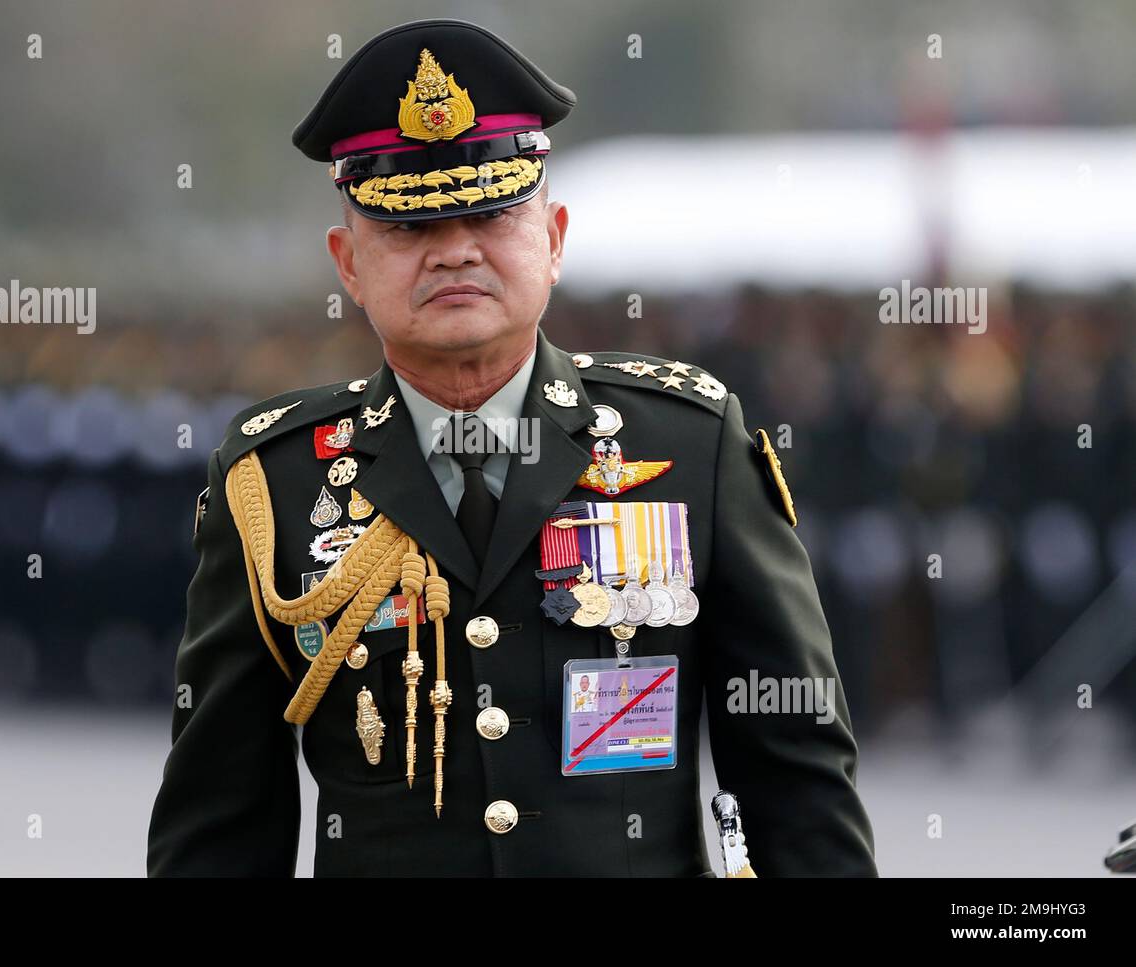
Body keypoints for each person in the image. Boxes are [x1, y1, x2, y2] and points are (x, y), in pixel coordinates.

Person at [146, 17, 877, 877]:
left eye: (492, 214)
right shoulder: (274, 482)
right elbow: (218, 829)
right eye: (409, 228)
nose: (456, 250)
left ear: (555, 237)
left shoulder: (689, 445)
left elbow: (798, 784)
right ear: (348, 262)